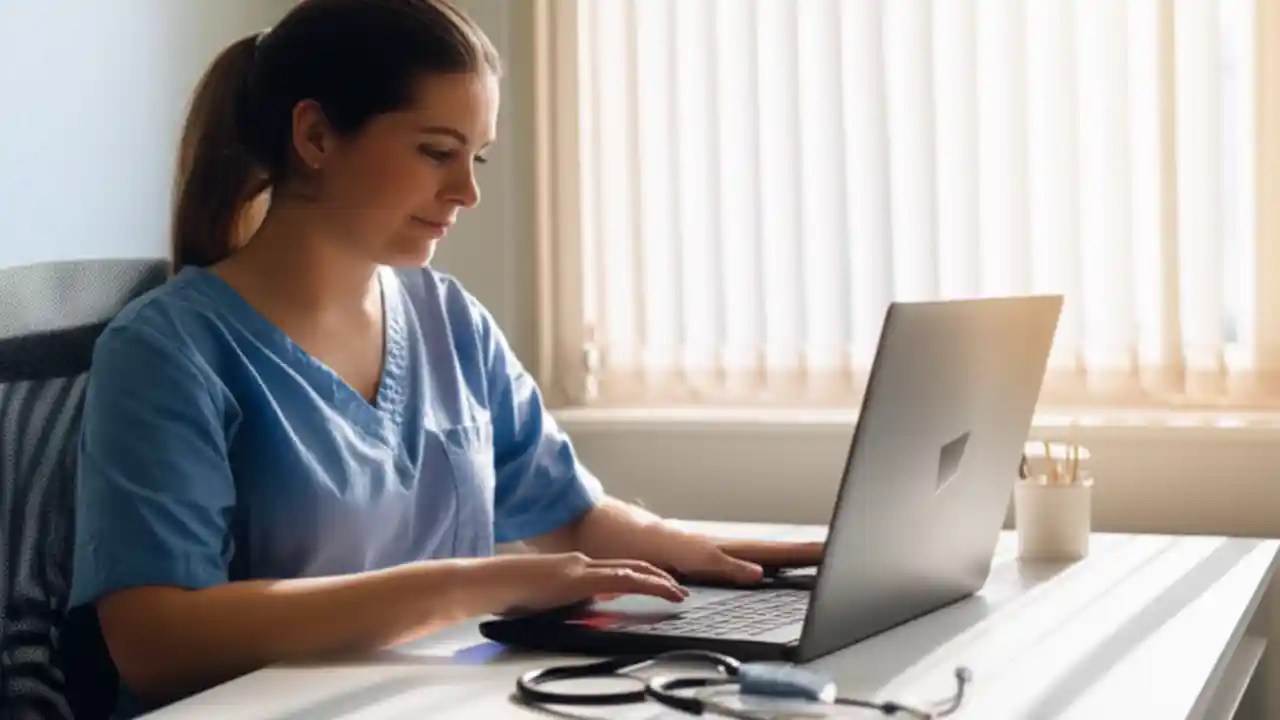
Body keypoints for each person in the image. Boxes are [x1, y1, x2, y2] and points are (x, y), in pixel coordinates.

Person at [67, 0, 822, 714]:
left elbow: (574, 517)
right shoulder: (167, 350)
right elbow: (155, 640)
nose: (465, 191)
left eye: (478, 159)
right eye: (436, 152)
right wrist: (472, 586)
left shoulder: (448, 319)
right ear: (317, 137)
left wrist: (733, 555)